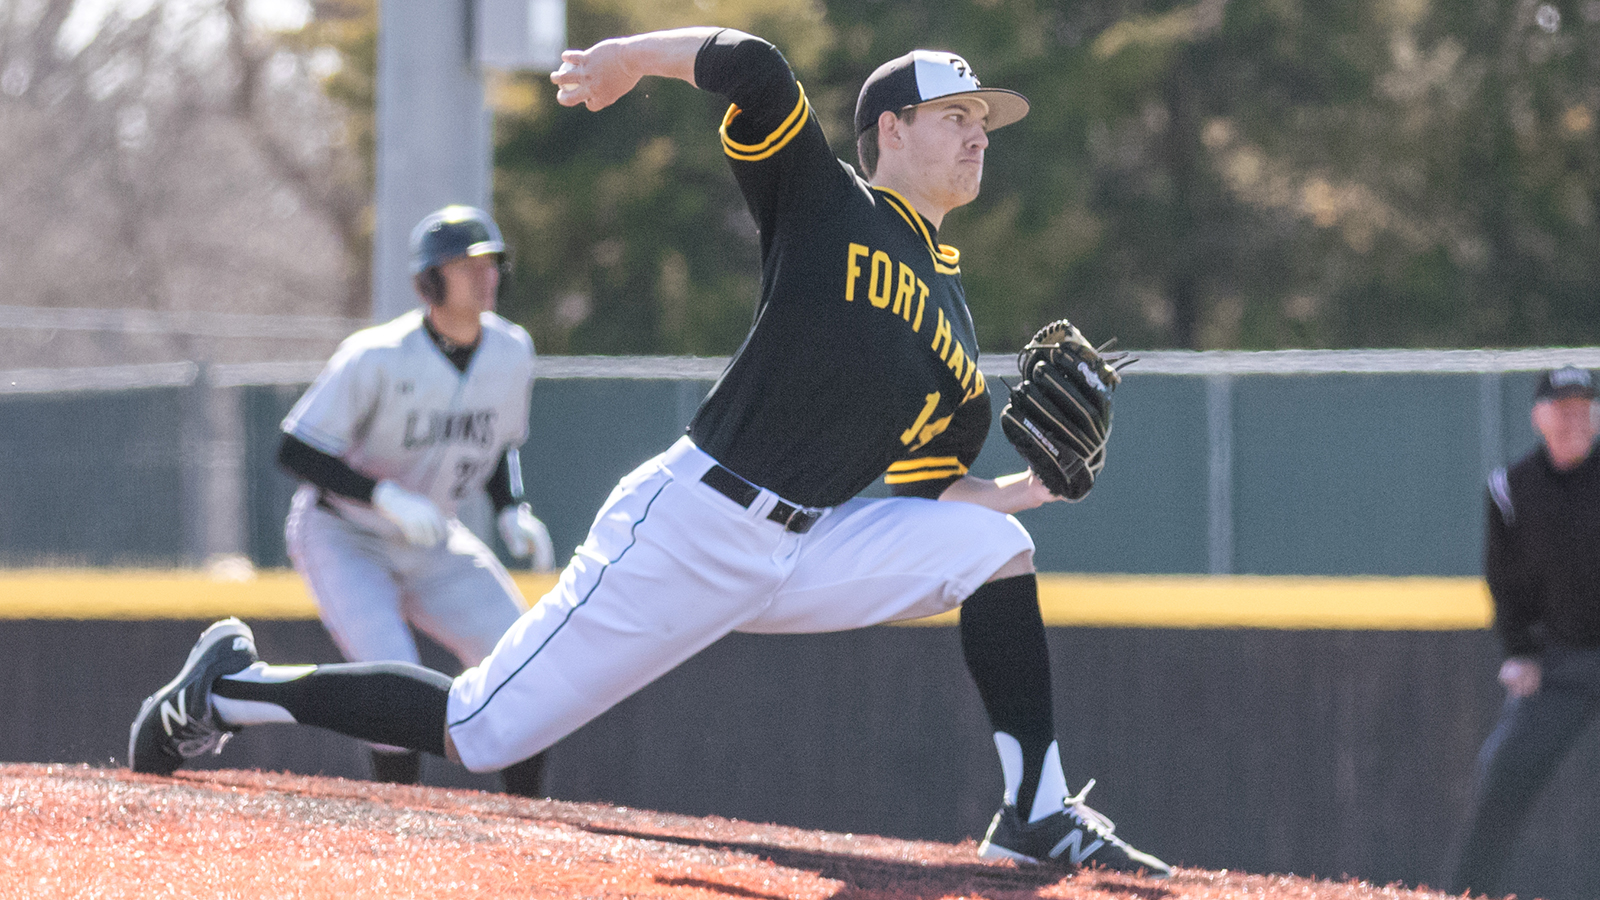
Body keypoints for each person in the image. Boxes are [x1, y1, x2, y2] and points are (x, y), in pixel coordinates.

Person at [128, 30, 1169, 875]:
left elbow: (936, 492)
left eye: (983, 120)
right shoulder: (828, 206)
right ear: (890, 130)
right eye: (956, 116)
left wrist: (1031, 490)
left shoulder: (951, 319)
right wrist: (628, 57)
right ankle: (226, 689)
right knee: (484, 728)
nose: (978, 133)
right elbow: (753, 67)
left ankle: (1030, 809)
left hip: (805, 550)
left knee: (994, 554)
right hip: (692, 523)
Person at [273, 204, 555, 795]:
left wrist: (510, 507)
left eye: (492, 262)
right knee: (394, 678)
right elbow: (295, 451)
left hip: (433, 536)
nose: (486, 275)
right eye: (467, 264)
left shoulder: (512, 351)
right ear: (431, 280)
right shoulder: (375, 354)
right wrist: (384, 497)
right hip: (344, 534)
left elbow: (497, 442)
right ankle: (403, 825)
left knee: (524, 659)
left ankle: (530, 823)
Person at [1448, 366, 1600, 897]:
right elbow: (1504, 580)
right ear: (1539, 417)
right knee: (1502, 776)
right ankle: (1472, 893)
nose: (1575, 420)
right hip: (1558, 663)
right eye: (1563, 409)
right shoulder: (1511, 488)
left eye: (1584, 409)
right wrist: (1519, 651)